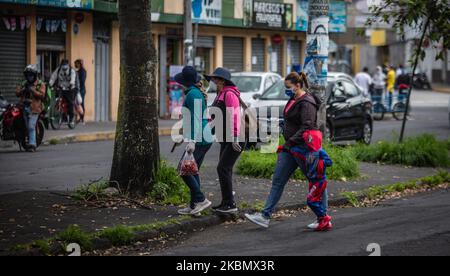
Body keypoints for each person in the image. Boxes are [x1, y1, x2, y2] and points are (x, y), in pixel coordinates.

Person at [245, 72, 333, 232]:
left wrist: (290, 142)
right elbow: (291, 120)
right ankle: (265, 216)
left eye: (288, 87)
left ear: (297, 85)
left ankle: (323, 216)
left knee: (316, 180)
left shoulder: (307, 102)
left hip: (304, 149)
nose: (286, 90)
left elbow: (307, 126)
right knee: (278, 181)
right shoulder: (294, 99)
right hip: (290, 148)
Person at [175, 66, 213, 216]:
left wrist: (192, 141)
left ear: (184, 81)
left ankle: (201, 200)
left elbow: (197, 119)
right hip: (202, 137)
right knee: (192, 171)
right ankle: (194, 206)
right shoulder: (194, 93)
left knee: (183, 170)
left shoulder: (193, 95)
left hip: (201, 139)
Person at [207, 68, 245, 214]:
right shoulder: (220, 94)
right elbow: (215, 115)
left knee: (222, 168)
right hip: (225, 137)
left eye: (216, 79)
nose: (213, 82)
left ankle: (230, 204)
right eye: (213, 79)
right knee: (225, 169)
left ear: (222, 81)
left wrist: (235, 137)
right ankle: (226, 202)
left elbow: (233, 115)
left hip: (235, 137)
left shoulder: (229, 94)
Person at [15, 65, 46, 152]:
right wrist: (22, 90)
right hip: (24, 107)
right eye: (27, 75)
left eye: (31, 75)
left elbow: (42, 95)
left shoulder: (40, 84)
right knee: (26, 127)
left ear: (35, 75)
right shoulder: (24, 83)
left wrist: (32, 90)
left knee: (31, 126)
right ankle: (27, 142)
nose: (29, 77)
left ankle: (32, 145)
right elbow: (17, 93)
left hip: (35, 108)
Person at [49, 59, 78, 126]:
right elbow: (53, 77)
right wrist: (50, 84)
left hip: (69, 88)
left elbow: (73, 79)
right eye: (63, 65)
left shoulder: (72, 71)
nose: (64, 66)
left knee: (70, 102)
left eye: (65, 65)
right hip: (61, 87)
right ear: (61, 65)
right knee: (58, 100)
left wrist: (71, 84)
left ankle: (71, 119)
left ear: (68, 65)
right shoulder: (58, 69)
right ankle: (62, 115)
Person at [74, 59, 87, 123]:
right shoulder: (78, 71)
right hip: (79, 89)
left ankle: (82, 118)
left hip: (81, 90)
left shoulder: (82, 71)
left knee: (81, 103)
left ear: (79, 64)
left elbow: (82, 81)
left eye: (76, 64)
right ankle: (79, 117)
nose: (75, 65)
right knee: (77, 104)